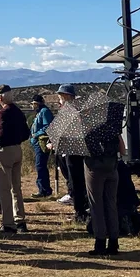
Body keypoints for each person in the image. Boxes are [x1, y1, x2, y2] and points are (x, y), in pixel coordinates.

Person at [0, 85, 30, 236]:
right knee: (16, 188)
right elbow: (26, 133)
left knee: (4, 189)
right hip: (17, 150)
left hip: (4, 151)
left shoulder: (2, 113)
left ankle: (8, 223)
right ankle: (20, 220)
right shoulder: (18, 112)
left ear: (1, 98)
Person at [84, 128, 123, 257]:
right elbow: (123, 150)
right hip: (112, 169)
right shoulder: (112, 129)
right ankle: (113, 242)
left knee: (96, 206)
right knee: (111, 205)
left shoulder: (88, 130)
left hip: (94, 170)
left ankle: (100, 242)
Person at [54, 84, 90, 224]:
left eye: (60, 97)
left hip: (72, 151)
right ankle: (84, 210)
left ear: (67, 97)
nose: (59, 100)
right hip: (78, 151)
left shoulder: (70, 112)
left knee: (76, 182)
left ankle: (80, 212)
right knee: (79, 182)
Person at [29, 93, 54, 199]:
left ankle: (44, 190)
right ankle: (44, 189)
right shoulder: (40, 112)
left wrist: (37, 134)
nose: (33, 106)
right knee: (40, 166)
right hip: (36, 143)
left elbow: (49, 125)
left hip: (41, 142)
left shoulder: (44, 112)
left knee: (40, 166)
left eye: (34, 104)